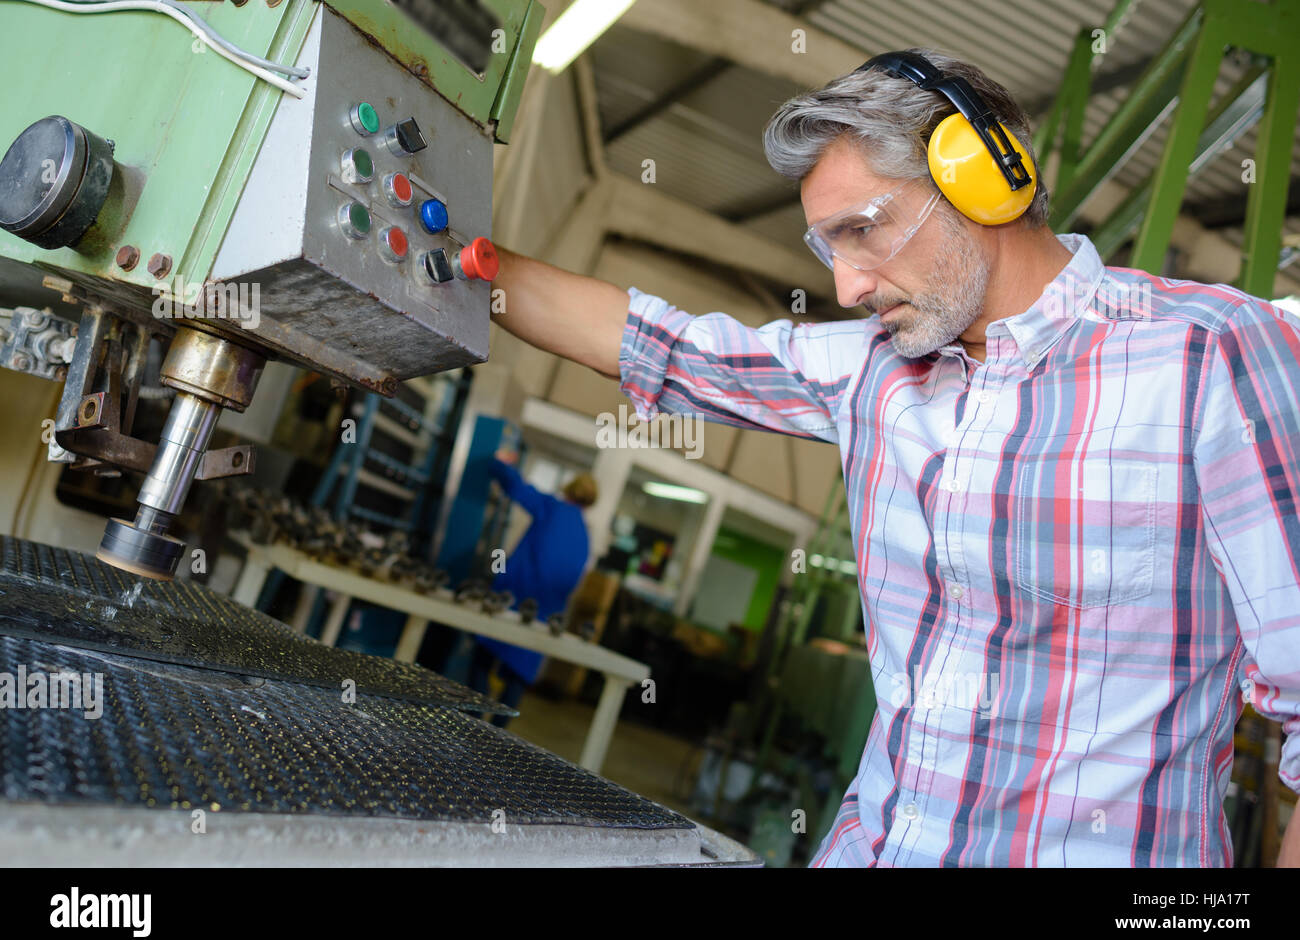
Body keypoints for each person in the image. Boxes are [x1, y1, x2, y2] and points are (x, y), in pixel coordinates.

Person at [485, 48, 1300, 867]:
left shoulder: (1209, 356)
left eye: (863, 230)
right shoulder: (870, 369)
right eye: (826, 247)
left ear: (985, 178)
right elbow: (666, 346)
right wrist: (452, 261)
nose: (845, 286)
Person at [469, 451, 597, 727]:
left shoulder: (552, 508)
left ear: (570, 490)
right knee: (515, 679)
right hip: (541, 616)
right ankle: (492, 741)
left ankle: (471, 725)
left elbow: (516, 487)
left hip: (511, 600)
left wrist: (500, 461)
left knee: (482, 661)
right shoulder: (585, 538)